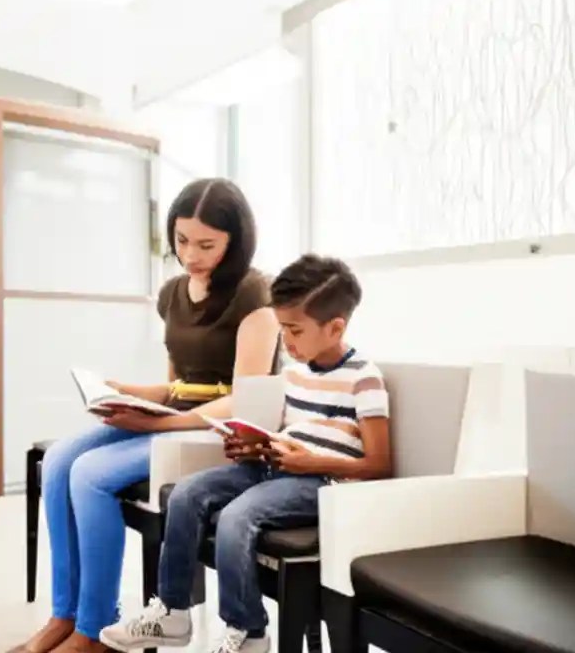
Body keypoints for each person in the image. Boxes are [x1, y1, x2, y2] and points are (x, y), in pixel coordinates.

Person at [10, 179, 282, 653]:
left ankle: (94, 632)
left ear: (235, 241)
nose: (190, 254)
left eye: (206, 244)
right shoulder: (173, 294)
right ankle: (64, 616)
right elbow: (178, 384)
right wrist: (125, 393)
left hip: (220, 432)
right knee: (57, 464)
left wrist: (158, 423)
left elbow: (243, 399)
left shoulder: (257, 294)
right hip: (175, 418)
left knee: (91, 476)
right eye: (180, 241)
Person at [99, 254, 392, 653]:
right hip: (276, 467)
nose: (286, 342)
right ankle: (173, 613)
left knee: (239, 516)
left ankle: (249, 631)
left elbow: (378, 465)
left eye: (294, 331)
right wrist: (256, 444)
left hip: (322, 482)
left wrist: (311, 462)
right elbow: (284, 432)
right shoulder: (294, 373)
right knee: (186, 494)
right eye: (282, 329)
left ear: (335, 326)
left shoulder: (364, 378)